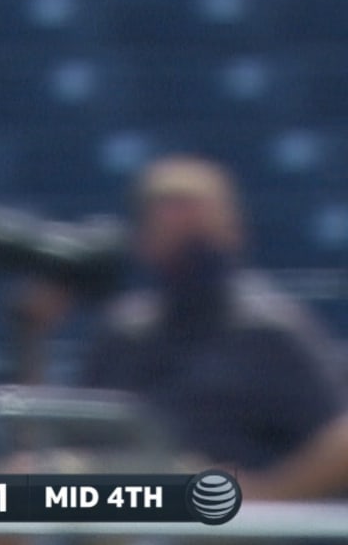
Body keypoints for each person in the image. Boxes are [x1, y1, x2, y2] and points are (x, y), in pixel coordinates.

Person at [81, 156, 348, 498]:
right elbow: (73, 439)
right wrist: (32, 330)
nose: (184, 229)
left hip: (216, 521)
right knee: (9, 493)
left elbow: (341, 440)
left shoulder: (270, 332)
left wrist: (266, 495)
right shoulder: (123, 333)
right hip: (126, 506)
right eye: (169, 214)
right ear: (143, 240)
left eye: (197, 217)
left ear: (234, 231)